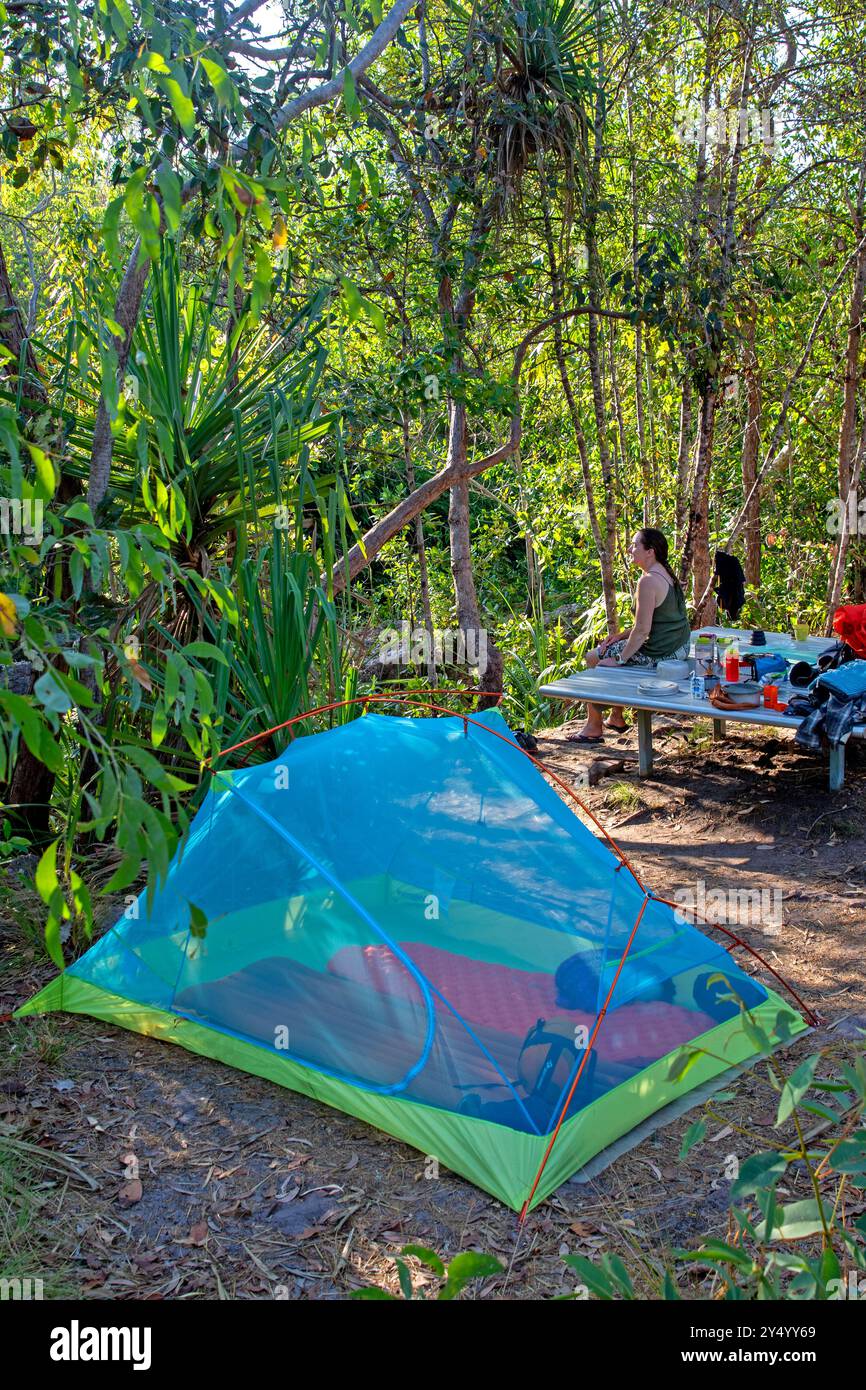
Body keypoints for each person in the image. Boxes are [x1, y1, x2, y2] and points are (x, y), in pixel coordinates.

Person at [572, 527, 692, 743]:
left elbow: (643, 631)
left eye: (635, 545)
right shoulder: (665, 573)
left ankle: (593, 727)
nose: (630, 549)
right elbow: (650, 623)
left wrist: (619, 659)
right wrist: (619, 636)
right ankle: (616, 717)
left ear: (650, 551)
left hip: (663, 654)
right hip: (679, 647)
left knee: (594, 657)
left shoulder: (647, 581)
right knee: (611, 648)